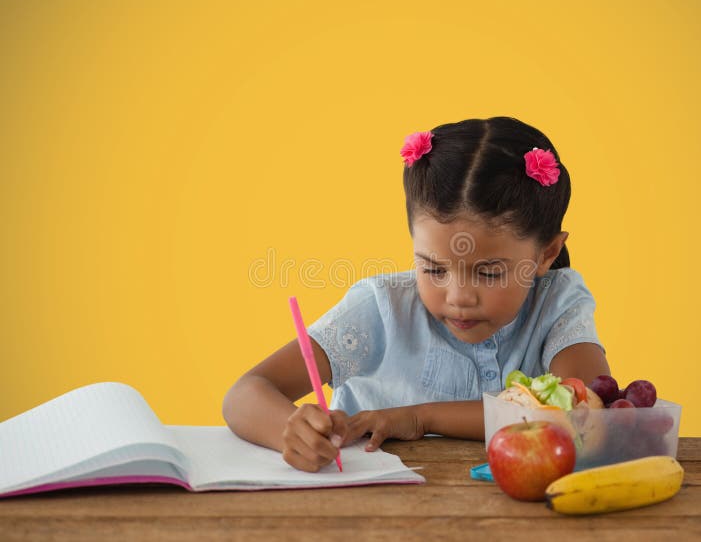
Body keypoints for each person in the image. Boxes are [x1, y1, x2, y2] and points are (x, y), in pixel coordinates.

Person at [223, 117, 610, 472]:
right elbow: (244, 395)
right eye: (434, 268)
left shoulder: (557, 301)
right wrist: (288, 431)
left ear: (547, 254)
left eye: (489, 273)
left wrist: (420, 417)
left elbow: (582, 415)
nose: (458, 297)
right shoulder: (382, 308)